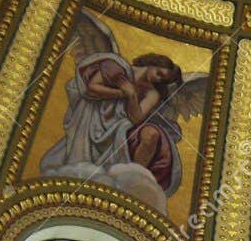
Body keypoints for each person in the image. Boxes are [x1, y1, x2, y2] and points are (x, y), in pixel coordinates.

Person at [41, 50, 184, 195]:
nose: (158, 80)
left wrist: (132, 96)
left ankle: (125, 182)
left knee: (143, 133)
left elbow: (136, 119)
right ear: (153, 63)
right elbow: (91, 88)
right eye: (159, 73)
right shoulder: (118, 67)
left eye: (163, 81)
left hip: (121, 125)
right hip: (95, 116)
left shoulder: (152, 93)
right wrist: (121, 93)